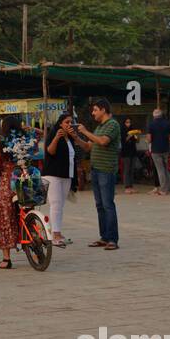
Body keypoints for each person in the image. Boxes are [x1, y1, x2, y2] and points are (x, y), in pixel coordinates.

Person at [76, 98, 121, 251]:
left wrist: (85, 132)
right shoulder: (100, 127)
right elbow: (89, 146)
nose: (93, 113)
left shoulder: (113, 125)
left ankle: (113, 239)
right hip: (96, 170)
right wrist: (77, 137)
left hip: (106, 169)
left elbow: (102, 142)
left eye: (95, 110)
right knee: (100, 205)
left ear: (103, 110)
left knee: (108, 205)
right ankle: (104, 237)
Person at [0, 115, 23, 269]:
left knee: (5, 221)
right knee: (25, 215)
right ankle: (36, 252)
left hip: (8, 185)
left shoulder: (2, 146)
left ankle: (6, 259)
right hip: (26, 183)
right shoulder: (26, 142)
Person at [41, 112, 77, 248]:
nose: (69, 125)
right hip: (53, 174)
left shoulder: (71, 138)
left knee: (60, 205)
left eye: (71, 122)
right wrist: (56, 137)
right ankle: (54, 235)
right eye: (66, 122)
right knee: (55, 204)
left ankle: (58, 232)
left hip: (66, 174)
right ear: (60, 124)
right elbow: (50, 151)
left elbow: (75, 155)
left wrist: (74, 137)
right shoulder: (54, 133)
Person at [146, 108, 170, 195]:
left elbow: (149, 138)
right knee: (166, 169)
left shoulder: (151, 125)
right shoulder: (167, 124)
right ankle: (169, 189)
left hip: (156, 150)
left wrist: (149, 141)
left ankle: (163, 190)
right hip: (166, 149)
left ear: (154, 116)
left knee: (160, 170)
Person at [120, 116, 139, 194]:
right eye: (127, 122)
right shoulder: (122, 130)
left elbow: (136, 141)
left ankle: (131, 186)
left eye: (129, 122)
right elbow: (124, 140)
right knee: (127, 169)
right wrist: (129, 135)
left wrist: (136, 135)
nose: (128, 124)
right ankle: (127, 186)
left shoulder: (132, 129)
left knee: (132, 170)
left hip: (133, 152)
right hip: (126, 153)